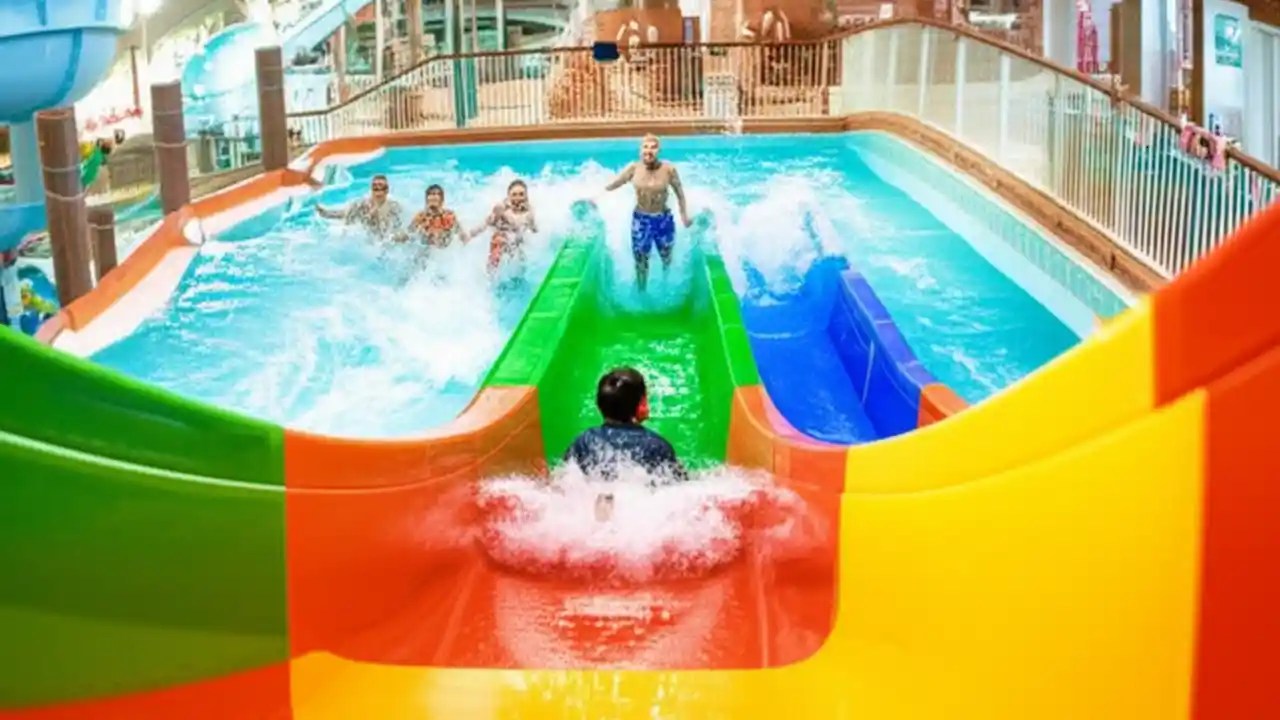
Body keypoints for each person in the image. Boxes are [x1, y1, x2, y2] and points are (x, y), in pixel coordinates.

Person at [564, 367, 688, 490]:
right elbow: (681, 488)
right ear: (642, 405)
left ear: (599, 405)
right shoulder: (657, 447)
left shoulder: (584, 442)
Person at [598, 134, 692, 291]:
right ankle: (641, 290)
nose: (649, 150)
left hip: (663, 220)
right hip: (641, 221)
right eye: (645, 147)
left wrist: (684, 216)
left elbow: (680, 194)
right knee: (641, 260)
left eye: (653, 147)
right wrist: (595, 197)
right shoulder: (633, 168)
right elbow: (613, 185)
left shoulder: (668, 169)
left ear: (659, 151)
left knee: (666, 257)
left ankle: (666, 287)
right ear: (640, 150)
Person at [468, 179, 537, 272]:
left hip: (516, 243)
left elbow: (534, 230)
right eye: (514, 194)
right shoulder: (501, 208)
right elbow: (485, 224)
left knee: (520, 256)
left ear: (526, 196)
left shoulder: (529, 212)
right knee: (499, 239)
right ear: (508, 196)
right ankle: (490, 273)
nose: (518, 198)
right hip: (501, 239)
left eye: (521, 194)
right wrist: (470, 235)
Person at [316, 174, 405, 236]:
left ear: (387, 190)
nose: (377, 187)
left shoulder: (394, 207)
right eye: (374, 186)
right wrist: (326, 213)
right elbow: (345, 213)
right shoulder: (363, 205)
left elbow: (399, 228)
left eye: (380, 185)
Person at [408, 184, 464, 248]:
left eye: (436, 194)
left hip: (444, 245)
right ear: (426, 199)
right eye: (430, 194)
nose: (433, 197)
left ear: (442, 199)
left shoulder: (449, 215)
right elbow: (410, 233)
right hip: (426, 247)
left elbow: (460, 233)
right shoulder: (421, 216)